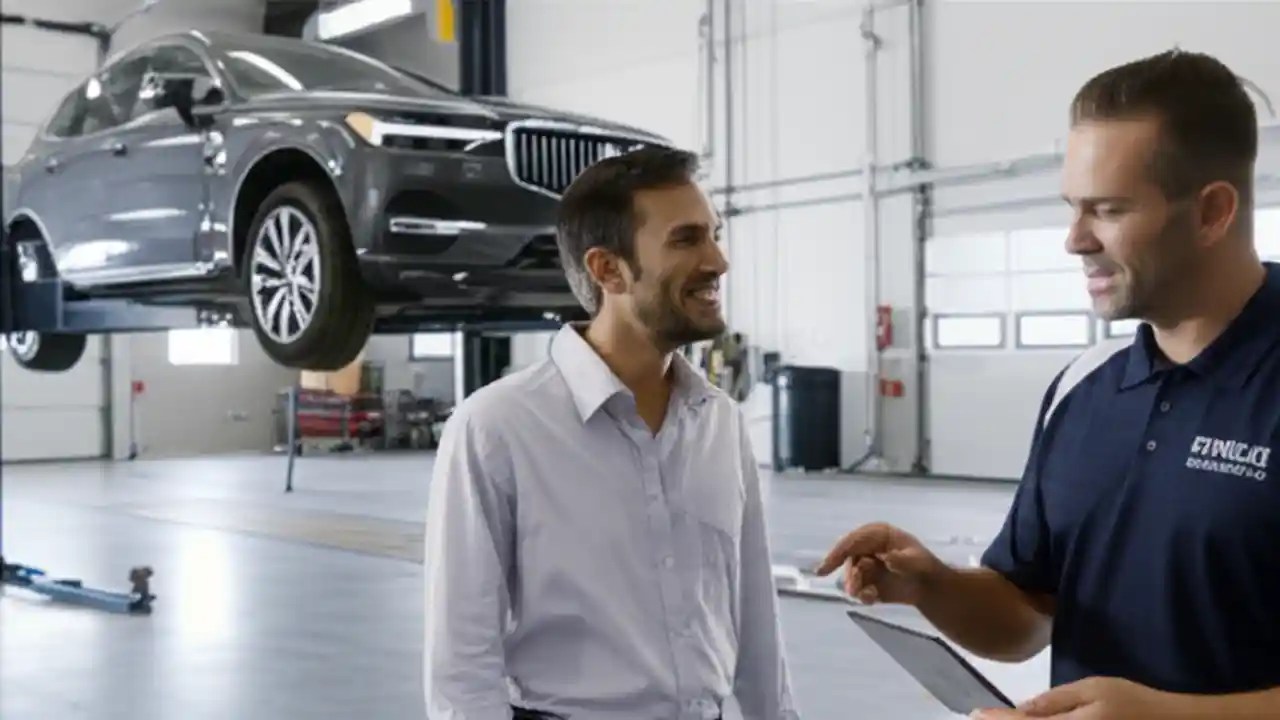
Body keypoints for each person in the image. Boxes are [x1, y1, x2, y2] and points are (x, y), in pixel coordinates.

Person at [816, 49, 1280, 719]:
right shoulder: (1085, 386)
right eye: (1073, 207)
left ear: (1212, 212)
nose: (1074, 240)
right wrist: (934, 587)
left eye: (1108, 210)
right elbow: (1028, 615)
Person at [423, 146, 799, 720]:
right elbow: (461, 663)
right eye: (686, 239)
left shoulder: (719, 421)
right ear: (608, 269)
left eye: (714, 235)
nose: (717, 261)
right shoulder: (498, 428)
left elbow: (755, 622)